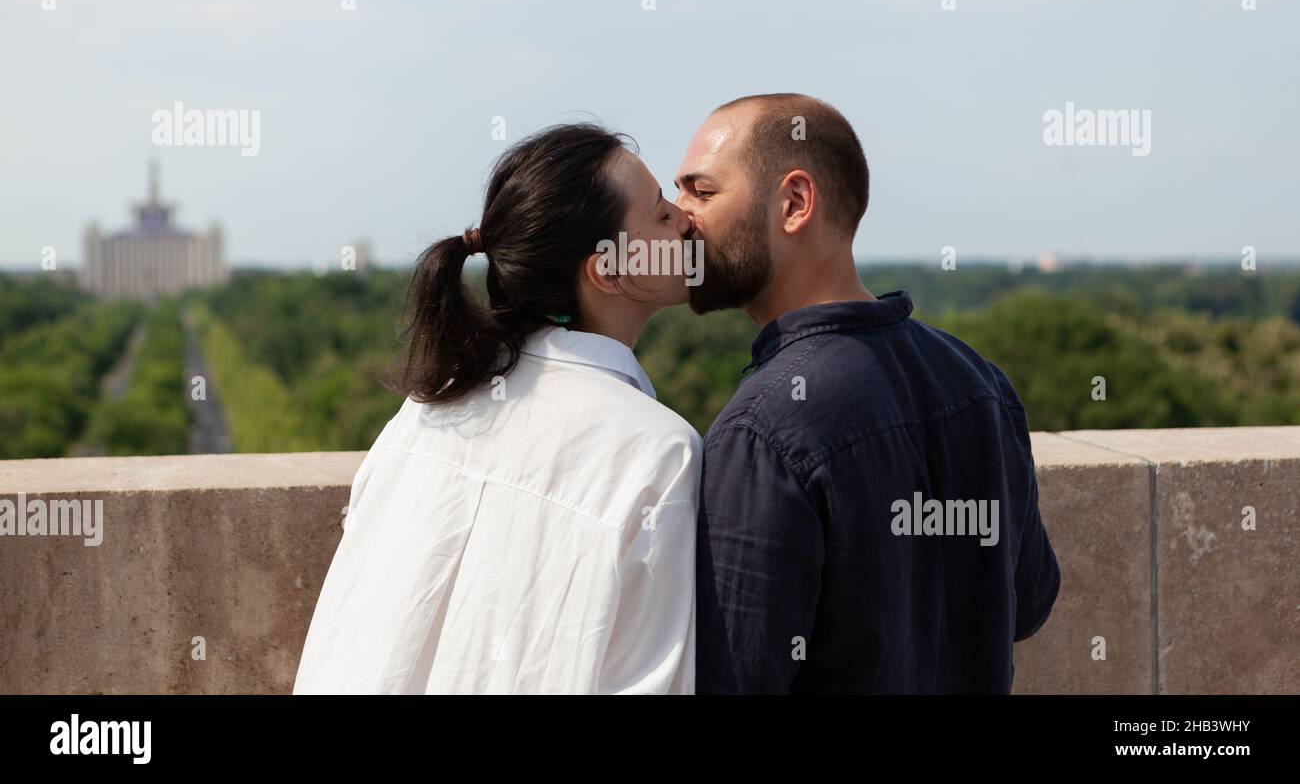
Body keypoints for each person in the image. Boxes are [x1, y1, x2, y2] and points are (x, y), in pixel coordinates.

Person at [294, 122, 701, 694]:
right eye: (660, 214)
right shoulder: (658, 453)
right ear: (607, 269)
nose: (686, 219)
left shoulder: (430, 408)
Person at [676, 93, 1061, 693]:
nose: (678, 217)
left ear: (795, 203)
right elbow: (1029, 600)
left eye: (700, 192)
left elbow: (736, 678)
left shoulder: (763, 428)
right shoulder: (978, 380)